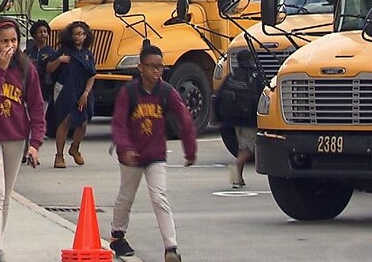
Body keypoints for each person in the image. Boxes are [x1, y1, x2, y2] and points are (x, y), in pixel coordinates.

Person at [109, 44, 196, 262]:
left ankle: (171, 248)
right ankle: (117, 236)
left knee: (159, 197)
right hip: (131, 154)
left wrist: (190, 149)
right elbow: (119, 124)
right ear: (140, 68)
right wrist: (125, 148)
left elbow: (184, 118)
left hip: (155, 153)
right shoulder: (129, 93)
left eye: (160, 67)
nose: (156, 71)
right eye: (151, 66)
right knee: (126, 196)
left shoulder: (166, 92)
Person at [0, 17, 47, 262]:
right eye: (4, 41)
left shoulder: (26, 68)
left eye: (13, 40)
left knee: (6, 196)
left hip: (15, 137)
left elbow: (36, 107)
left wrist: (35, 144)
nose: (10, 46)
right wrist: (0, 71)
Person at [46, 20, 96, 168]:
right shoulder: (63, 50)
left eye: (80, 34)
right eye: (75, 34)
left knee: (83, 123)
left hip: (82, 91)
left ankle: (74, 148)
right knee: (65, 121)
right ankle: (59, 156)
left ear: (86, 36)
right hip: (65, 90)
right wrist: (59, 60)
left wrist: (86, 93)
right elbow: (49, 68)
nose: (77, 37)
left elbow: (92, 75)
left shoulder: (88, 54)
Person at [214, 49, 260, 188]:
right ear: (250, 60)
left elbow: (218, 97)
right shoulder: (254, 76)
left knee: (242, 147)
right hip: (248, 120)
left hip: (231, 119)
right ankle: (236, 165)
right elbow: (261, 95)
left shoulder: (231, 76)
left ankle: (238, 179)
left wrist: (219, 117)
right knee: (249, 149)